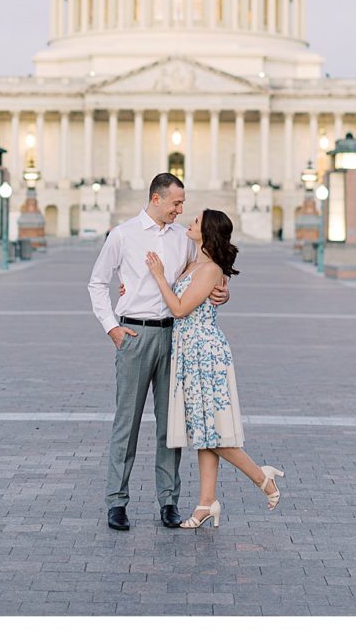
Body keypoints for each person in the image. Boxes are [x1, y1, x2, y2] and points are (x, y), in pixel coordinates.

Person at [87, 172, 228, 532]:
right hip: (134, 333)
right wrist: (112, 327)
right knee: (127, 424)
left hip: (173, 338)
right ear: (156, 199)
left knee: (171, 426)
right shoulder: (123, 235)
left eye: (183, 204)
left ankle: (169, 500)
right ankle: (116, 502)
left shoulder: (183, 238)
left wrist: (223, 293)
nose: (181, 210)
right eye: (176, 203)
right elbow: (98, 282)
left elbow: (203, 277)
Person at [144, 208, 282, 529]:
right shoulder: (195, 262)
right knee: (204, 433)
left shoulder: (209, 268)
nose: (190, 222)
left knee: (214, 432)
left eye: (196, 221)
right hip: (190, 351)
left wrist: (159, 276)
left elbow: (179, 309)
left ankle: (263, 478)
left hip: (204, 352)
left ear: (207, 230)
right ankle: (206, 503)